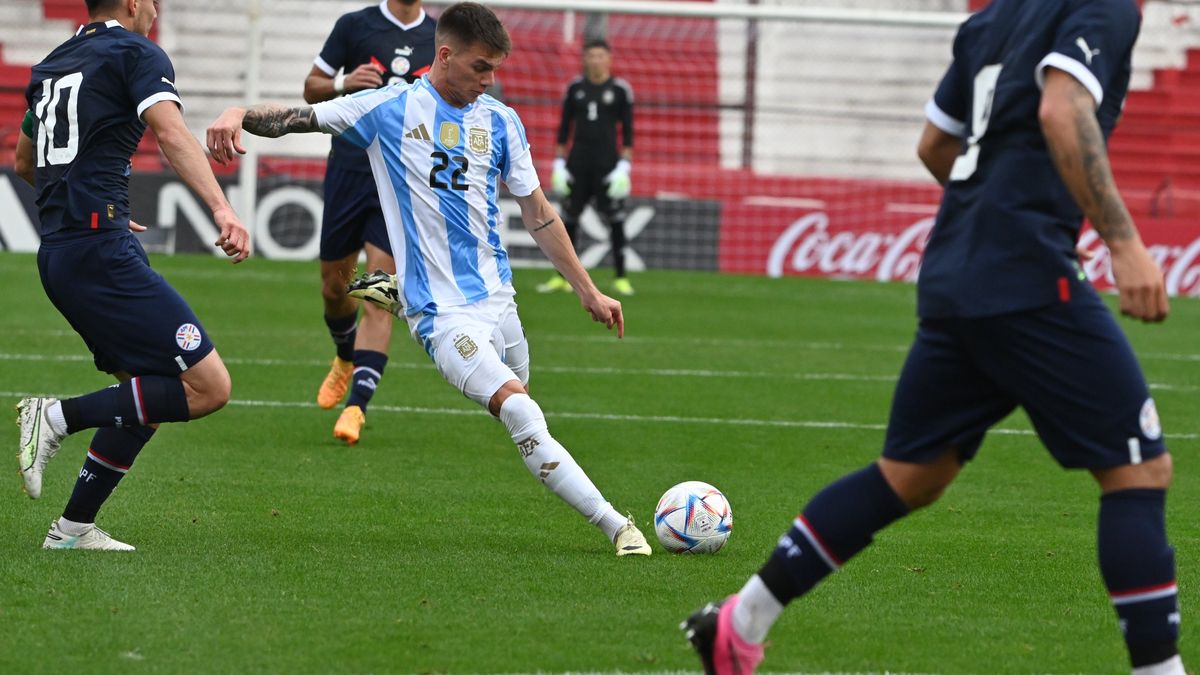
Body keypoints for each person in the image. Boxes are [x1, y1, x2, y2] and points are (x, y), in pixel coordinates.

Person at [683, 0, 1184, 673]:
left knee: (911, 475)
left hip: (956, 270)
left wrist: (995, 213)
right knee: (1138, 469)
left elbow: (934, 145)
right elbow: (1061, 110)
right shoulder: (1104, 6)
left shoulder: (993, 19)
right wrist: (1122, 241)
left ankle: (738, 625)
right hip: (1026, 275)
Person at [207, 2, 652, 557]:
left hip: (499, 299)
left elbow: (538, 212)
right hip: (443, 317)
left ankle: (394, 289)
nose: (489, 81)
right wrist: (236, 112)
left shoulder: (500, 120)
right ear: (444, 56)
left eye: (495, 69)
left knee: (522, 396)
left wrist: (588, 289)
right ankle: (618, 527)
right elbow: (300, 118)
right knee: (519, 410)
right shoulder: (389, 108)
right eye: (480, 68)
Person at [16, 0, 250, 551]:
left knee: (146, 389)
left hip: (66, 250)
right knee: (209, 387)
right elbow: (170, 134)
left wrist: (92, 207)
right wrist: (222, 209)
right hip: (99, 252)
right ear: (133, 3)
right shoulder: (135, 51)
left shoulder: (53, 62)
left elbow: (27, 162)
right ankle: (54, 417)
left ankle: (71, 531)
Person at [303, 0, 437, 445]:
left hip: (400, 181)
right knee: (335, 287)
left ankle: (356, 407)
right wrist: (344, 82)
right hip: (349, 171)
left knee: (378, 294)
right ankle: (344, 357)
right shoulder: (354, 25)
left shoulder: (439, 36)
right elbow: (311, 89)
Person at [536, 39, 635, 297]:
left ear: (609, 59)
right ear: (585, 59)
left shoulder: (620, 90)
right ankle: (561, 277)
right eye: (591, 56)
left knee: (616, 221)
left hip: (607, 166)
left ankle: (621, 276)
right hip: (577, 164)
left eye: (601, 56)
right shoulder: (576, 88)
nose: (596, 60)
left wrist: (624, 166)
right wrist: (559, 163)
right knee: (568, 221)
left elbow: (628, 132)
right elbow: (564, 127)